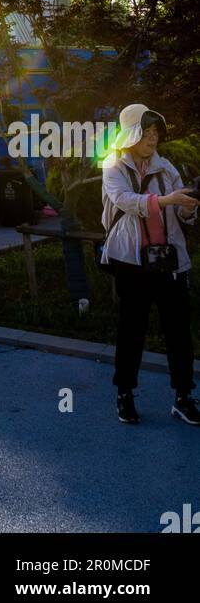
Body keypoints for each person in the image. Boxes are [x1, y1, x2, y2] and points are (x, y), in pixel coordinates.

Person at [101, 103, 200, 426]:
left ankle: (184, 397)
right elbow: (125, 201)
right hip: (131, 260)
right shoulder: (113, 165)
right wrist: (168, 201)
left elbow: (180, 214)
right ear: (132, 134)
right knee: (132, 329)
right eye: (147, 131)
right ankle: (124, 394)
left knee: (178, 331)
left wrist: (187, 207)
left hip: (169, 260)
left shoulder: (167, 168)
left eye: (156, 132)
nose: (153, 138)